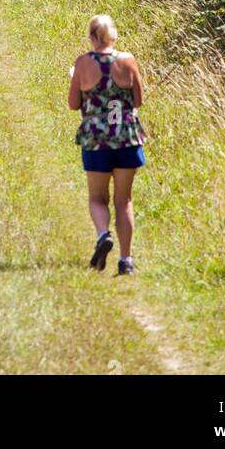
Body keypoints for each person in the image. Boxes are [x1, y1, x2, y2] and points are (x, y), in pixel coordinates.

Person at [68, 14, 146, 274]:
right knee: (124, 200)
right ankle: (126, 261)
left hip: (96, 139)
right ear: (113, 35)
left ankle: (103, 235)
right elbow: (138, 101)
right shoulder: (128, 61)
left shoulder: (82, 63)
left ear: (92, 37)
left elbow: (73, 104)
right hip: (126, 137)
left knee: (97, 198)